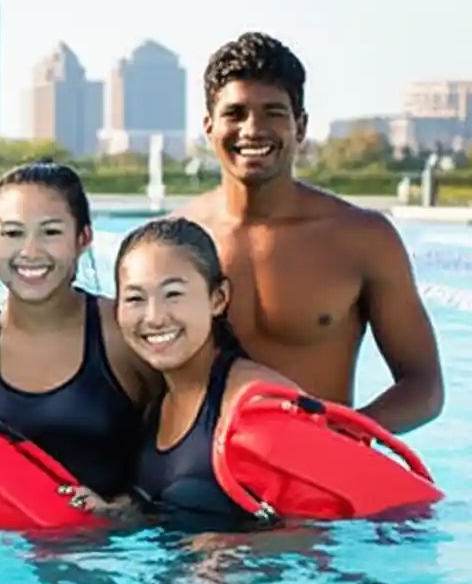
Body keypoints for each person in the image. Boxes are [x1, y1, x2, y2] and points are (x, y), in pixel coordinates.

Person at [173, 32, 443, 434]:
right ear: (209, 127)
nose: (253, 129)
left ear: (300, 126)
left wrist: (343, 435)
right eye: (235, 113)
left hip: (315, 481)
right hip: (200, 478)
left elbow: (424, 386)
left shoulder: (362, 239)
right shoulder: (174, 241)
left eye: (273, 113)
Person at [0, 162, 161, 517]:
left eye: (50, 232)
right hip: (0, 558)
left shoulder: (124, 336)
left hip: (111, 554)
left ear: (83, 238)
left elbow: (179, 457)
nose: (31, 251)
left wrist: (124, 508)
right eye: (13, 233)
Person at [114, 217, 299, 525]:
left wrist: (231, 556)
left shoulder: (257, 405)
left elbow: (324, 536)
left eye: (173, 294)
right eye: (135, 298)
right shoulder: (157, 407)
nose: (154, 317)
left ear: (218, 299)